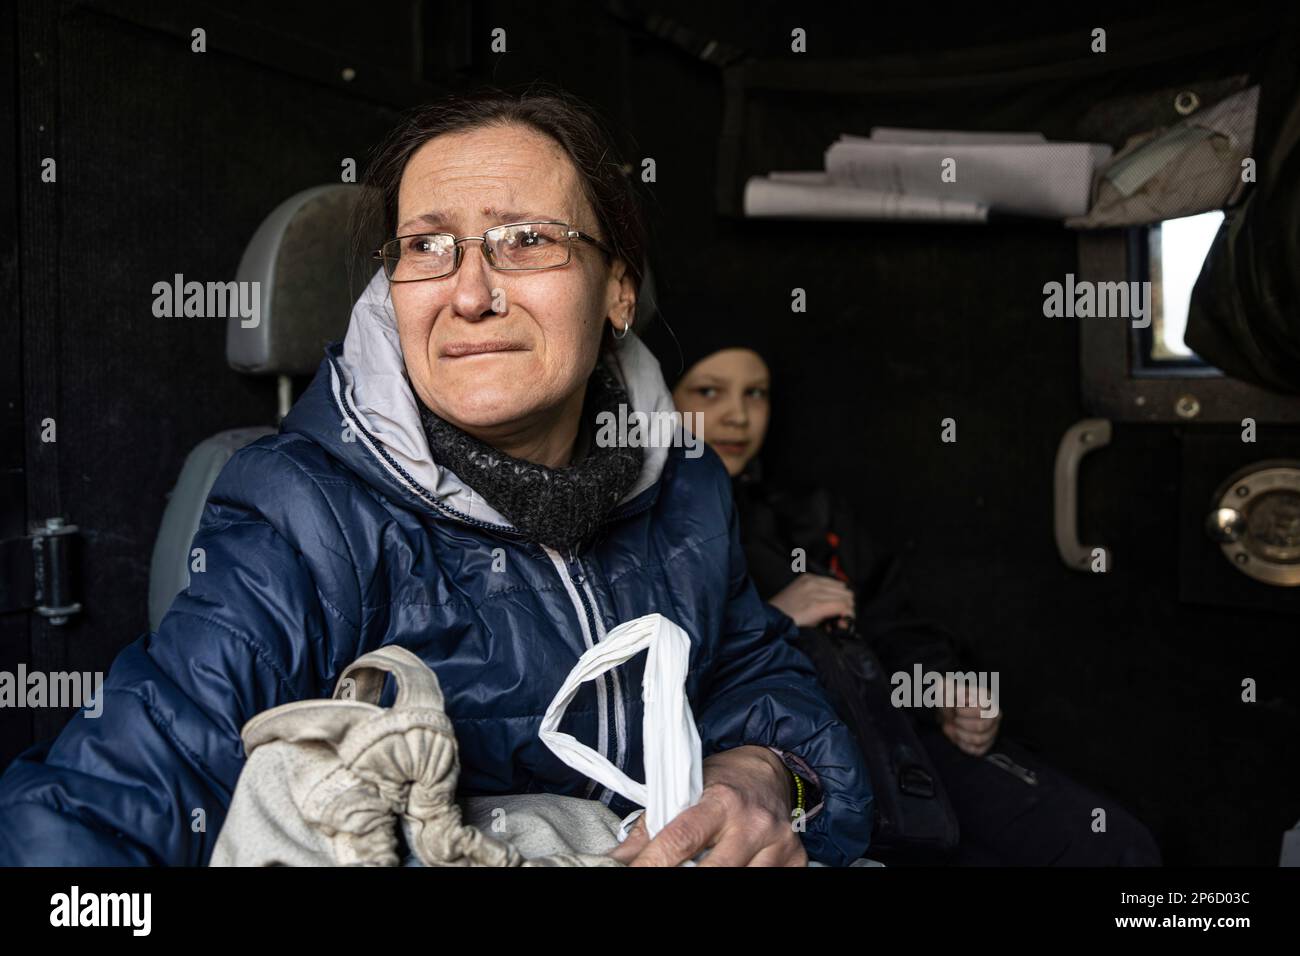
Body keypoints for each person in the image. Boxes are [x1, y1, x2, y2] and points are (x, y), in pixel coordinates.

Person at [0, 86, 874, 867]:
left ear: (616, 289)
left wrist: (770, 777)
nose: (469, 293)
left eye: (526, 240)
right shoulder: (302, 510)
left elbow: (755, 676)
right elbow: (132, 784)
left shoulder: (680, 481)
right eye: (428, 246)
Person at [661, 312, 1162, 866]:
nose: (737, 415)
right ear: (662, 397)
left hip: (894, 741)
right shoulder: (653, 529)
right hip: (785, 771)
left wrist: (943, 689)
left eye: (756, 393)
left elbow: (893, 625)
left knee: (1110, 846)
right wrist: (778, 617)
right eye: (709, 391)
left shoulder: (808, 515)